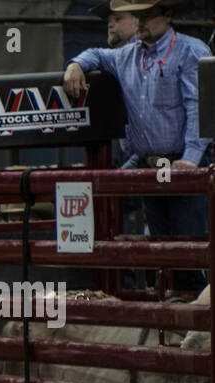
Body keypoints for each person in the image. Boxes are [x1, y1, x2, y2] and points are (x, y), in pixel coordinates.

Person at [64, 0, 212, 288]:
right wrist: (76, 64)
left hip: (183, 163)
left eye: (147, 15)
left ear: (166, 16)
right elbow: (95, 53)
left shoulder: (190, 51)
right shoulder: (126, 56)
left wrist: (192, 158)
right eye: (137, 16)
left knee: (186, 248)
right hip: (151, 165)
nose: (141, 22)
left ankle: (194, 319)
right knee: (162, 248)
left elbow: (199, 106)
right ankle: (169, 313)